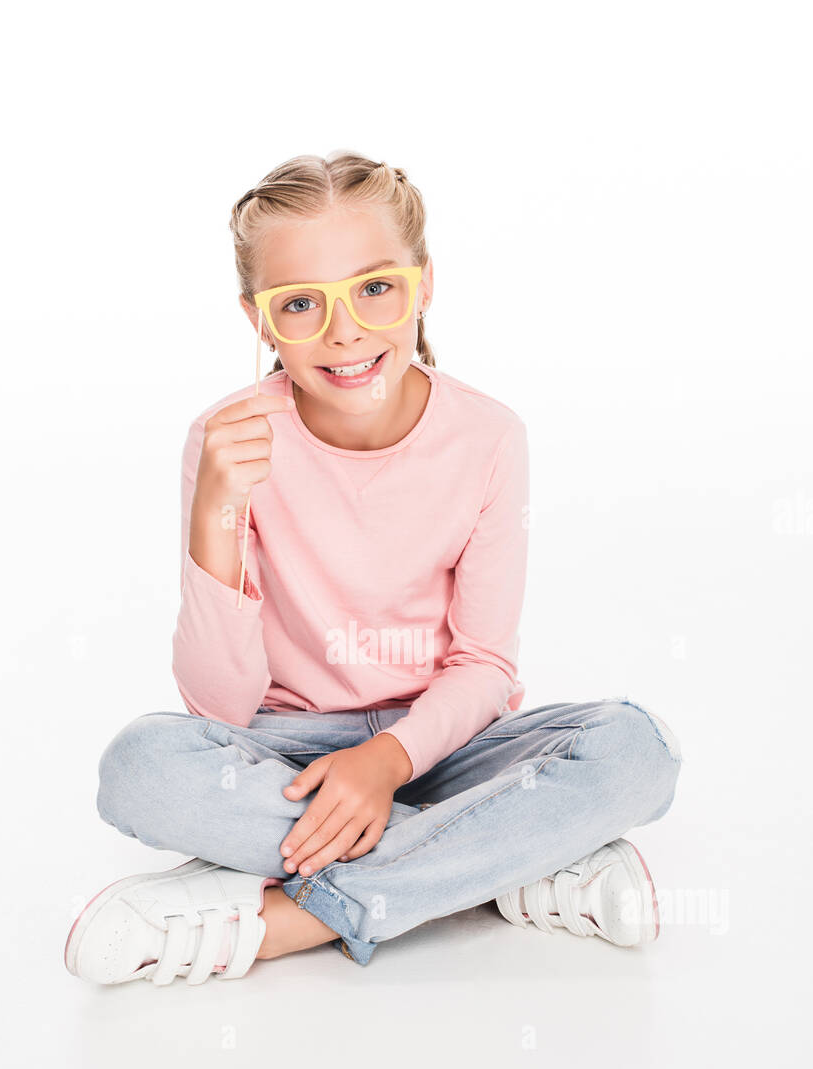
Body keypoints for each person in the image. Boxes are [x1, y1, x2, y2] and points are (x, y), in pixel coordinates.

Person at [65, 151, 682, 987]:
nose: (344, 330)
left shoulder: (489, 436)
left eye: (375, 288)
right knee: (140, 767)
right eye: (299, 305)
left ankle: (290, 916)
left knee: (633, 749)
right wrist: (218, 511)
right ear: (260, 321)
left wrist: (387, 762)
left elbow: (483, 666)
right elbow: (217, 706)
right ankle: (501, 865)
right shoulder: (226, 440)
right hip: (286, 755)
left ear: (423, 285)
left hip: (445, 742)